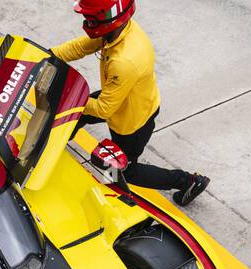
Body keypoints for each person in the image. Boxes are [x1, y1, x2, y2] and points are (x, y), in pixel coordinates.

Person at [53, 0, 209, 206]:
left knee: (124, 170)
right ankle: (53, 145)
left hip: (131, 121)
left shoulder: (124, 62)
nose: (86, 24)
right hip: (126, 96)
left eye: (90, 20)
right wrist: (46, 56)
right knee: (77, 113)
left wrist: (70, 99)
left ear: (106, 19)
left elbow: (104, 109)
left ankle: (188, 181)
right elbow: (81, 46)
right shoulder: (121, 30)